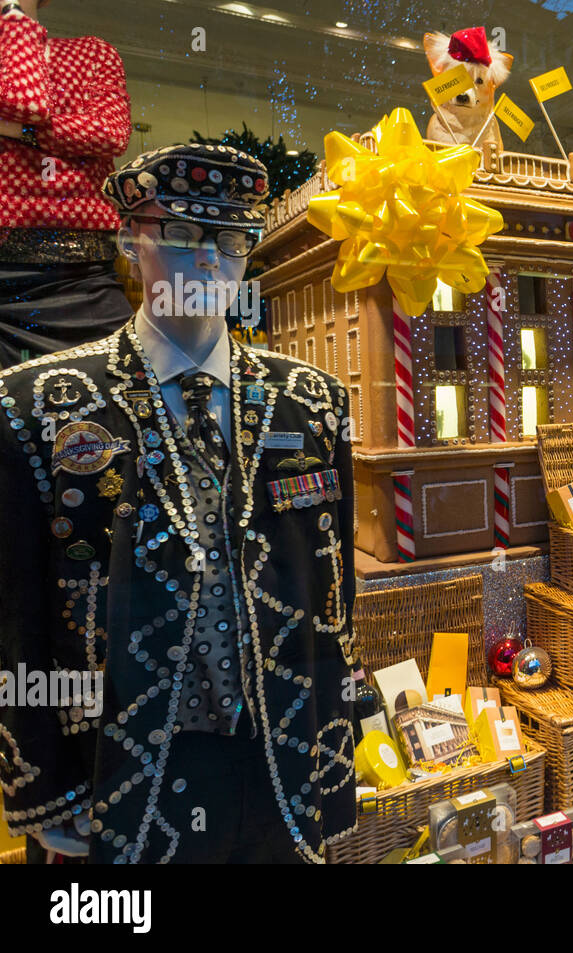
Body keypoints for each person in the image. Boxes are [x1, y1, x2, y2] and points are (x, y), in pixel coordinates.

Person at [0, 143, 357, 863]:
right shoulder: (34, 404)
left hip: (275, 755)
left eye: (230, 240)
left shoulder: (313, 401)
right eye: (182, 236)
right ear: (133, 242)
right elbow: (14, 614)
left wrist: (336, 760)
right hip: (111, 766)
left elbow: (337, 600)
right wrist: (40, 785)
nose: (208, 262)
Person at [0, 0, 134, 368]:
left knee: (114, 390)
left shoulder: (92, 53)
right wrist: (16, 24)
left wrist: (20, 132)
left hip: (81, 273)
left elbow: (110, 133)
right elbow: (24, 100)